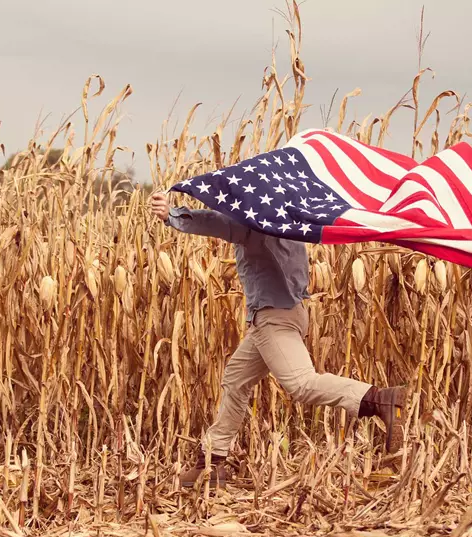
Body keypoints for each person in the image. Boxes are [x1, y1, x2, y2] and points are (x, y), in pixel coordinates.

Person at [150, 191, 407, 488]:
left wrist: (171, 215)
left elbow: (215, 223)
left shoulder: (253, 223)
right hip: (284, 315)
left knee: (301, 384)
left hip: (273, 319)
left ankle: (378, 399)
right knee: (235, 379)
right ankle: (212, 462)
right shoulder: (292, 223)